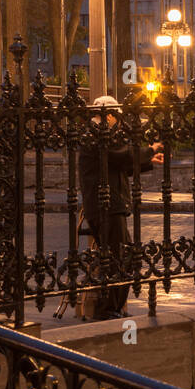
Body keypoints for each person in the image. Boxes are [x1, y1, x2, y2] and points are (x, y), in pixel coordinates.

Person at [78, 95, 164, 320]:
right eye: (117, 117)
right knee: (117, 257)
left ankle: (112, 306)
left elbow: (117, 167)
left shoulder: (95, 135)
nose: (119, 123)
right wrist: (149, 149)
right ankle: (108, 309)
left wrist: (147, 161)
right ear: (108, 115)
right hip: (106, 206)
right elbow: (123, 154)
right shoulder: (98, 135)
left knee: (118, 256)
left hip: (107, 205)